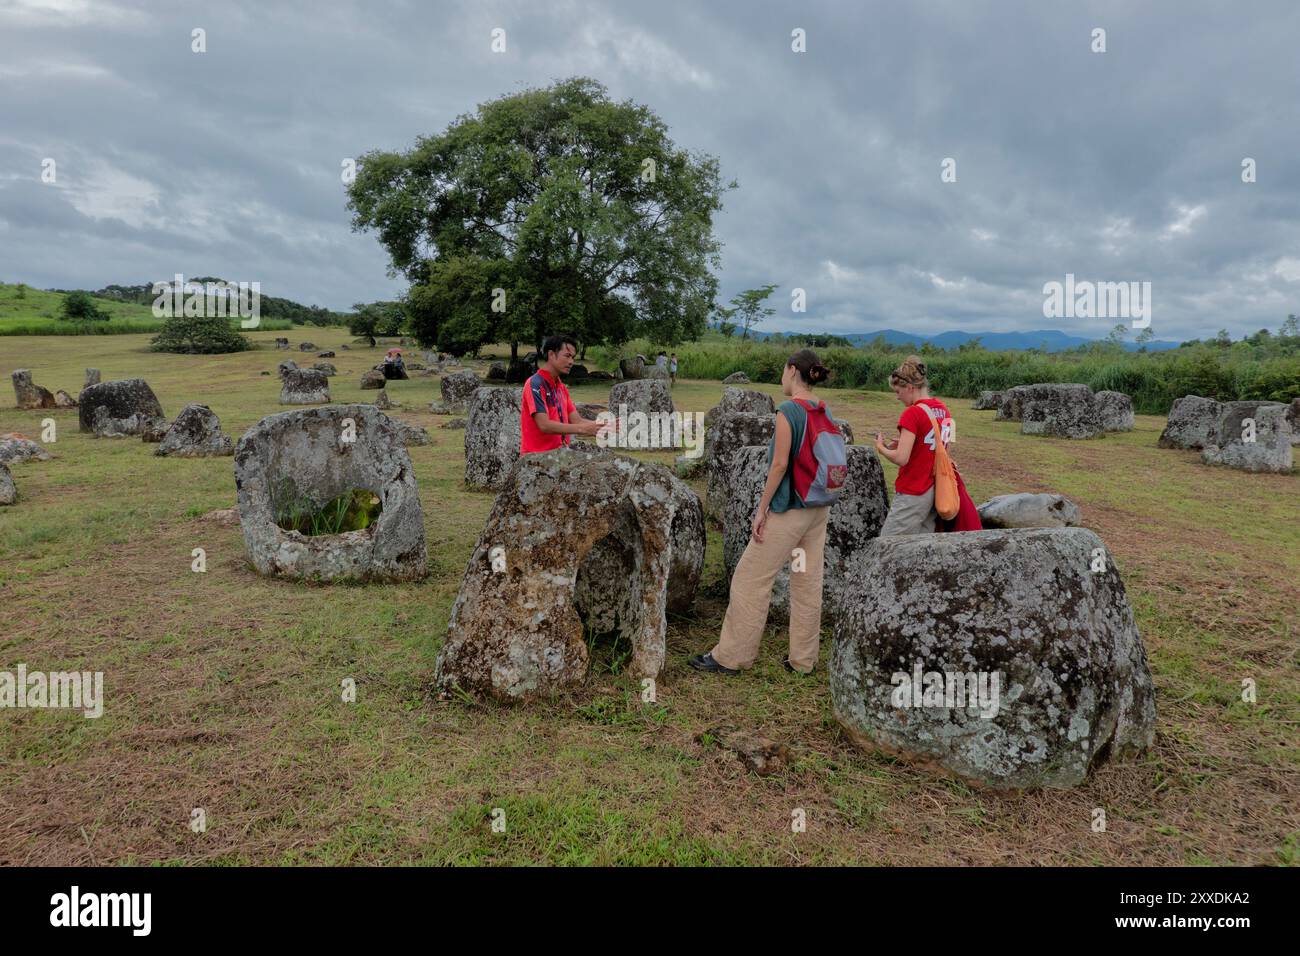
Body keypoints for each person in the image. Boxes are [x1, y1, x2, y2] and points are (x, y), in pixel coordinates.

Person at [690, 349, 841, 676]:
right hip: (817, 510)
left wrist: (762, 509)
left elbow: (779, 464)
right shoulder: (821, 408)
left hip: (789, 511)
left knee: (750, 578)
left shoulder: (788, 410)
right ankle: (803, 660)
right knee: (806, 581)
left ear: (791, 370)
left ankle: (732, 657)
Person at [874, 355, 955, 535]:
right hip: (936, 491)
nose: (897, 397)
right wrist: (908, 444)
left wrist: (882, 448)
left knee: (888, 544)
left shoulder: (912, 414)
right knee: (920, 549)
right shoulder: (944, 410)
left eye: (898, 392)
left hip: (913, 491)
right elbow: (945, 450)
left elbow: (902, 458)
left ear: (910, 388)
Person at [520, 334, 606, 454]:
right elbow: (544, 425)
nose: (571, 362)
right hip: (535, 460)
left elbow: (577, 421)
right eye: (567, 356)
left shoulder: (561, 388)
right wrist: (583, 429)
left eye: (573, 357)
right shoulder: (535, 384)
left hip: (559, 456)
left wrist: (605, 426)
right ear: (551, 355)